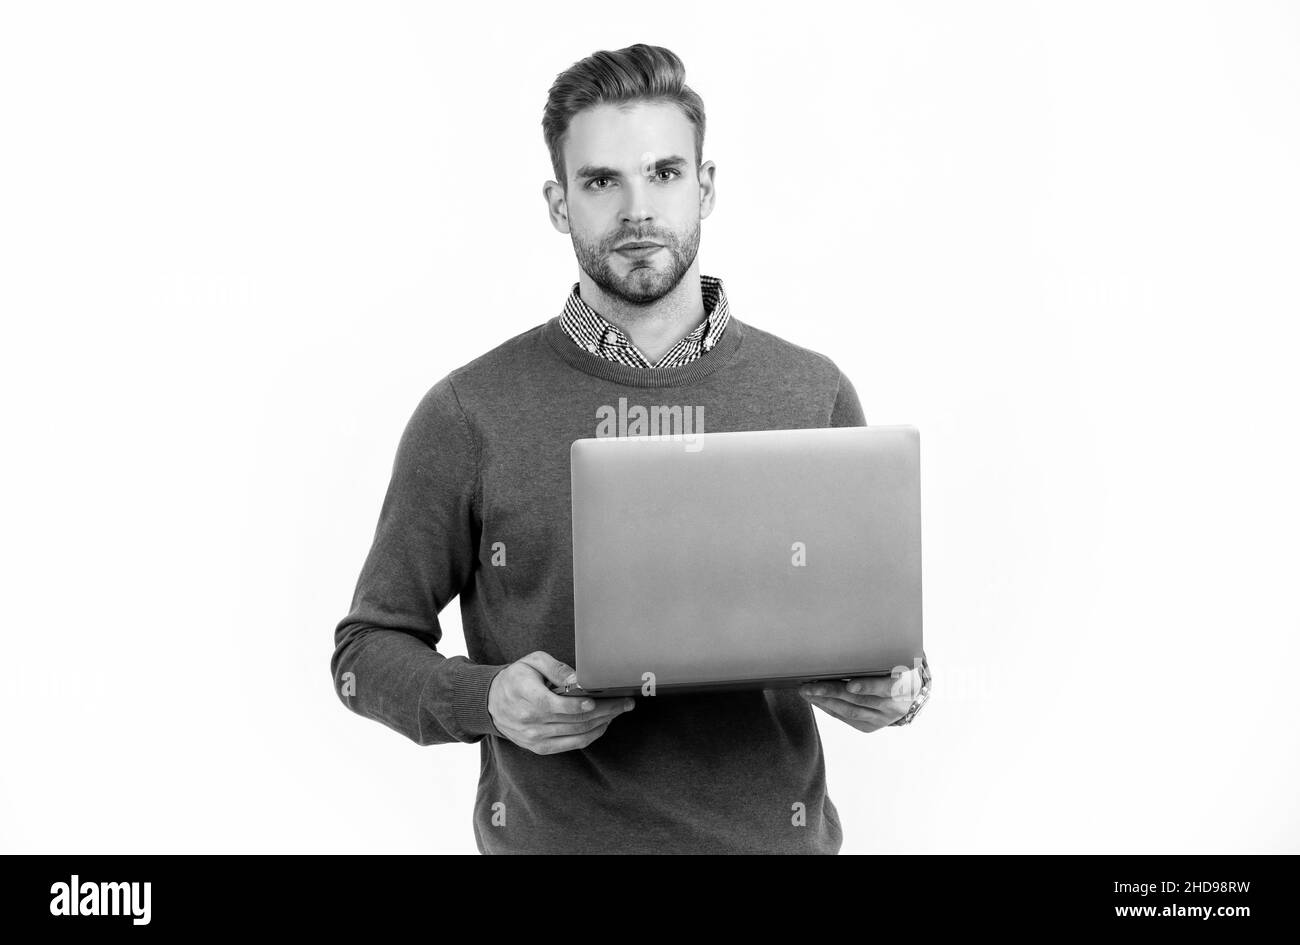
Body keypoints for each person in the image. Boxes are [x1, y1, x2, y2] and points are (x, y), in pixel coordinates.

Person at [331, 42, 931, 855]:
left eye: (664, 172)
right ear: (558, 202)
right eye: (602, 180)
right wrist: (486, 698)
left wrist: (898, 686)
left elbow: (874, 637)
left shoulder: (811, 392)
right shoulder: (468, 412)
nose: (637, 208)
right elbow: (365, 651)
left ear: (706, 186)